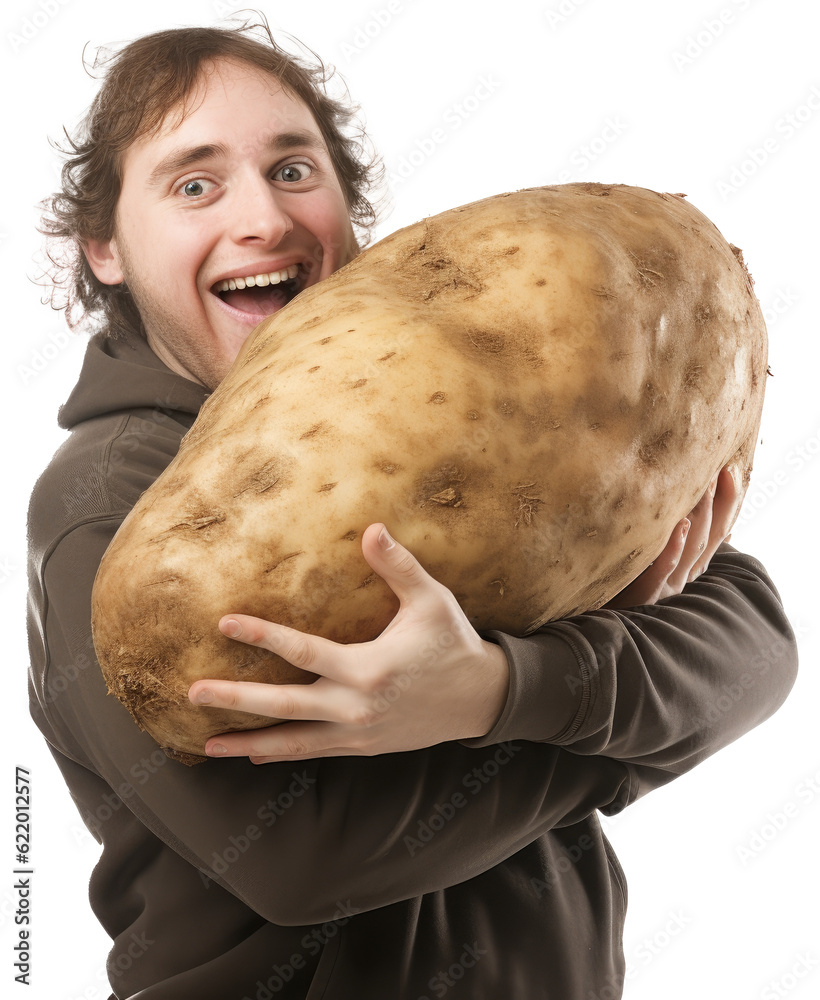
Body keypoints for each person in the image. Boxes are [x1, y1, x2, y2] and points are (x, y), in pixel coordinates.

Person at [27, 19, 797, 1000]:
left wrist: (492, 690)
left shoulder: (440, 408)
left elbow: (758, 639)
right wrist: (605, 722)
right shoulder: (105, 508)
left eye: (295, 168)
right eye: (194, 184)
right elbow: (304, 859)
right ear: (105, 248)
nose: (262, 217)